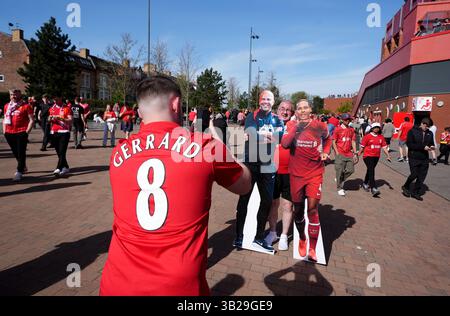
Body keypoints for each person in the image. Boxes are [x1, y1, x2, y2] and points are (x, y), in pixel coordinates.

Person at [99, 76, 251, 296]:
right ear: (176, 104)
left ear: (140, 112)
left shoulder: (118, 153)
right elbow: (244, 185)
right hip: (178, 287)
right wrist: (221, 144)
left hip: (118, 283)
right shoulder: (205, 147)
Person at [281, 100, 331, 262]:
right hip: (296, 175)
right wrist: (297, 126)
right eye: (299, 108)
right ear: (296, 111)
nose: (302, 111)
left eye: (305, 108)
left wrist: (325, 151)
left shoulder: (320, 126)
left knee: (312, 210)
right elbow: (285, 144)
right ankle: (302, 237)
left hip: (315, 174)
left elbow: (329, 139)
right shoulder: (291, 125)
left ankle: (312, 249)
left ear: (311, 110)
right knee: (298, 211)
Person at [234, 90, 285, 253]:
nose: (266, 101)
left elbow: (280, 137)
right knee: (244, 200)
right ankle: (239, 236)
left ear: (273, 101)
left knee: (267, 201)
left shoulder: (277, 119)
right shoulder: (252, 116)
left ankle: (258, 237)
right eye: (263, 99)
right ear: (259, 100)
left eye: (269, 99)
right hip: (251, 163)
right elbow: (251, 134)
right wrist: (268, 136)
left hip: (268, 164)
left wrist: (261, 136)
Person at [265, 100, 295, 251]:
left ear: (292, 112)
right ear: (277, 110)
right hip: (272, 171)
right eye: (282, 109)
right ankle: (272, 232)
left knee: (287, 205)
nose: (285, 112)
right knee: (273, 204)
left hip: (290, 173)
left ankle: (284, 235)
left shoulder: (296, 127)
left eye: (288, 110)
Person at [2, 89, 35, 181]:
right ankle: (23, 166)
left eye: (16, 95)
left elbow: (31, 120)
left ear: (20, 95)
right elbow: (5, 119)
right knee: (15, 152)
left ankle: (19, 171)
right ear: (10, 96)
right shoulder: (6, 106)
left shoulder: (26, 106)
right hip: (9, 133)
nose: (14, 96)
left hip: (21, 132)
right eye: (12, 94)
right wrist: (4, 131)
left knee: (21, 152)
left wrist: (26, 132)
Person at [402, 118, 435, 201]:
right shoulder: (412, 131)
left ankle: (415, 192)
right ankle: (406, 186)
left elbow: (431, 143)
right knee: (414, 174)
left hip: (424, 158)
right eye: (426, 126)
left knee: (421, 176)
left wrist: (432, 146)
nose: (427, 128)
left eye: (429, 127)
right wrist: (423, 147)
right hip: (414, 156)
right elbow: (410, 144)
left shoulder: (430, 133)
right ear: (422, 123)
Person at [358, 123, 392, 197]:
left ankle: (365, 183)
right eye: (375, 127)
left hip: (376, 157)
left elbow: (384, 147)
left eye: (378, 127)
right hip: (367, 156)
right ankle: (373, 188)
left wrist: (388, 155)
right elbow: (362, 147)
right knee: (372, 170)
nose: (376, 129)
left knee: (370, 170)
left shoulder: (381, 137)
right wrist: (358, 155)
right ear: (372, 128)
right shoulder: (367, 136)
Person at [333, 113, 358, 197]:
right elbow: (334, 142)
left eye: (349, 120)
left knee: (351, 170)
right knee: (339, 171)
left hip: (349, 153)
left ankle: (340, 179)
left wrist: (355, 153)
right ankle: (339, 188)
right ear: (342, 120)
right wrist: (337, 152)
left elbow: (353, 141)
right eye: (346, 119)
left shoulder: (351, 130)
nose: (348, 121)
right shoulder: (337, 129)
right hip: (340, 152)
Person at [49, 97, 73, 176]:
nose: (55, 101)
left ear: (61, 99)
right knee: (59, 152)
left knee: (62, 151)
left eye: (56, 99)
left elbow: (70, 120)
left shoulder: (67, 108)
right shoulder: (52, 108)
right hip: (54, 132)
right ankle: (65, 167)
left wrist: (60, 118)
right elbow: (49, 119)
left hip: (64, 132)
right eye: (54, 99)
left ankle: (58, 168)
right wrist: (50, 119)